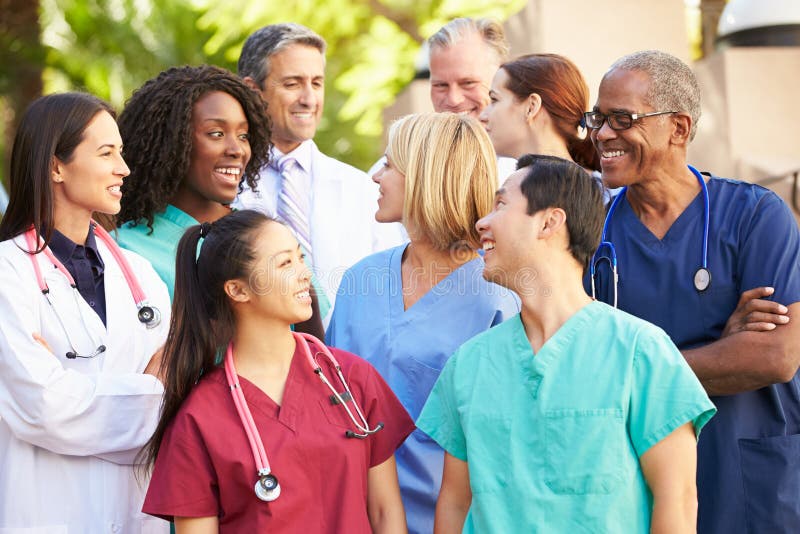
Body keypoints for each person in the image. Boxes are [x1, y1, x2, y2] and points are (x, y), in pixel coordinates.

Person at [418, 154, 716, 533]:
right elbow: (455, 503)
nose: (482, 222)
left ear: (549, 222)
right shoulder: (468, 365)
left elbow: (677, 501)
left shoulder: (641, 353)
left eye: (501, 205)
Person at [584, 50, 800, 533]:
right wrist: (723, 348)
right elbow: (581, 372)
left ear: (678, 128)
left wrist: (628, 371)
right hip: (639, 486)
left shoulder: (754, 216)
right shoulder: (593, 235)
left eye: (623, 119)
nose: (602, 134)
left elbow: (776, 356)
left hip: (749, 478)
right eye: (598, 118)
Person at [140, 210, 413, 532]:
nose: (305, 274)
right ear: (237, 290)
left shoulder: (351, 378)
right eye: (285, 263)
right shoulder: (198, 418)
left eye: (301, 258)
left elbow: (385, 513)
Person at [327, 112, 519, 534]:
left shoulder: (498, 296)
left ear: (425, 178)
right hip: (350, 517)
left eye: (389, 164)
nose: (376, 176)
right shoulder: (360, 279)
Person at [0, 92, 171, 533]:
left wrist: (72, 393)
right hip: (46, 514)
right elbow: (43, 408)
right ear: (56, 166)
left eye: (121, 152)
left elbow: (174, 409)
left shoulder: (142, 277)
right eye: (106, 153)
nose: (124, 168)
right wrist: (149, 388)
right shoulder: (7, 273)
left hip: (135, 516)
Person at [233, 23, 404, 327]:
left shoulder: (363, 189)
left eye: (316, 83)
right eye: (292, 84)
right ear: (252, 90)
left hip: (346, 352)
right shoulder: (227, 186)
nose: (309, 99)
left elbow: (393, 292)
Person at [115, 65, 269, 299]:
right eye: (216, 134)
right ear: (171, 142)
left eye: (243, 136)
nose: (237, 150)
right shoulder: (124, 250)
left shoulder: (267, 237)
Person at [368, 18, 516, 181]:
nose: (453, 100)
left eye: (468, 83)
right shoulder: (398, 168)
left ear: (502, 77)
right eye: (441, 85)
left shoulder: (526, 167)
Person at [479, 53, 599, 171]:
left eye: (494, 99)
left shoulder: (522, 182)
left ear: (531, 107)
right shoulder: (594, 182)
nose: (482, 116)